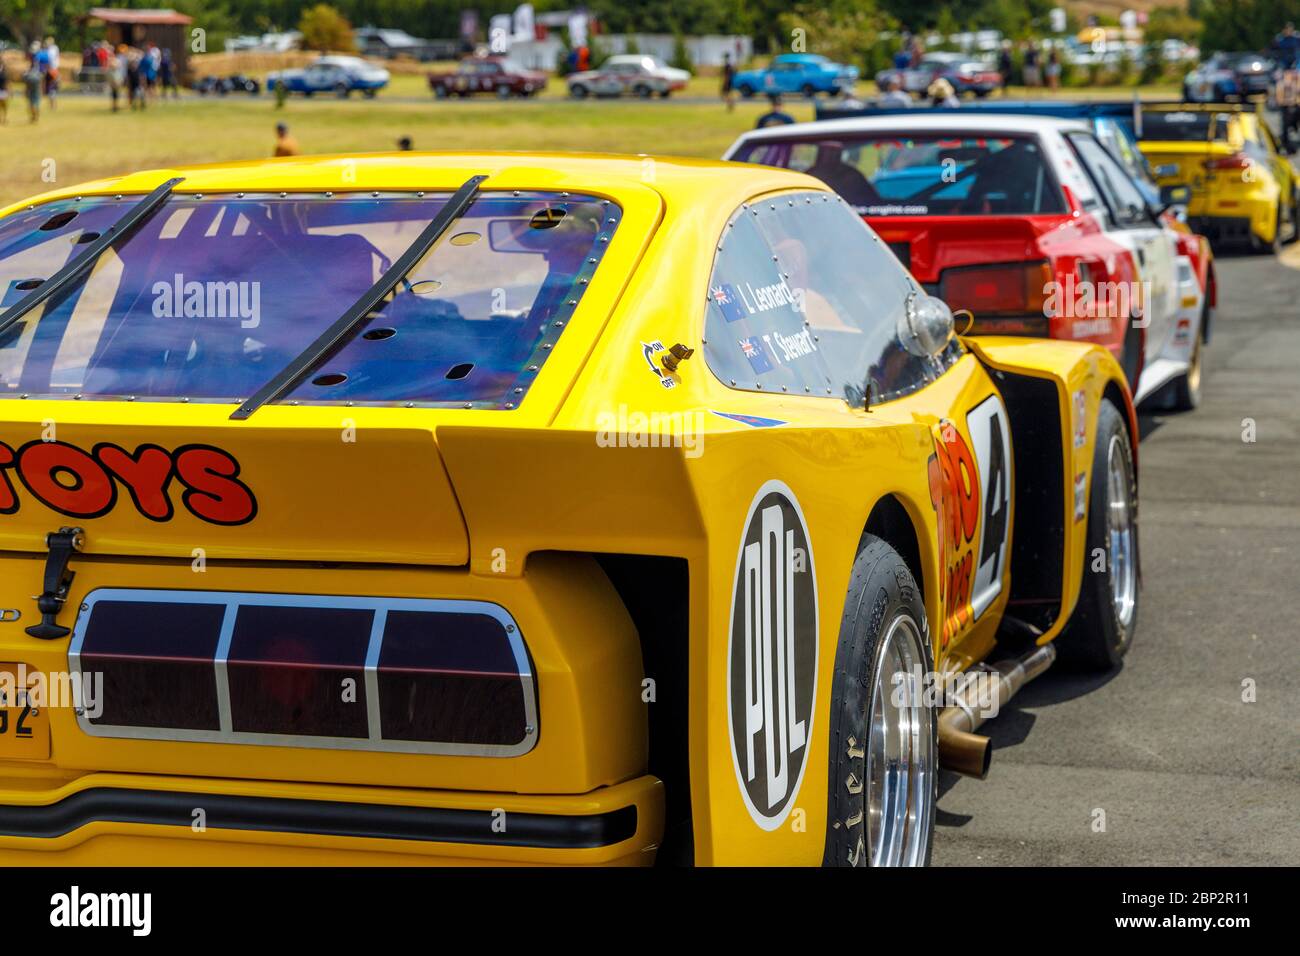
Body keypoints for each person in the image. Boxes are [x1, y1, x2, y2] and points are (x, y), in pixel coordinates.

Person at [23, 56, 41, 123]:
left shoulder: (28, 73)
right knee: (36, 103)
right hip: (36, 88)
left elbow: (26, 81)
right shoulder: (37, 71)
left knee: (31, 103)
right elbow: (40, 80)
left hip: (30, 88)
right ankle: (36, 116)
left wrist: (25, 91)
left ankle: (34, 117)